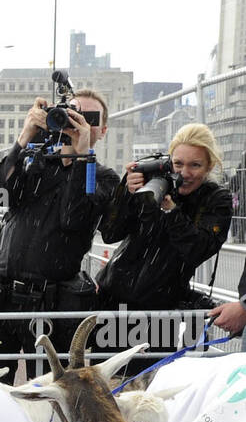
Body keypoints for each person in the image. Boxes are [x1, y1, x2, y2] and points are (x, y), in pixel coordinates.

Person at [0, 88, 118, 382]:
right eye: (73, 113)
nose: (79, 122)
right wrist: (25, 137)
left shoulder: (102, 177)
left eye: (89, 118)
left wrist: (81, 157)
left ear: (102, 131)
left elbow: (72, 218)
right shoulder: (35, 161)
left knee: (49, 397)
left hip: (51, 308)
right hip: (1, 298)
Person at [97, 124, 234, 362]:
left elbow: (198, 250)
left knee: (152, 388)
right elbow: (110, 233)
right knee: (106, 389)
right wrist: (125, 192)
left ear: (209, 166)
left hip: (163, 312)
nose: (185, 173)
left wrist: (171, 212)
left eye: (195, 165)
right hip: (115, 303)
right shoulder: (153, 184)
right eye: (178, 164)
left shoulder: (216, 199)